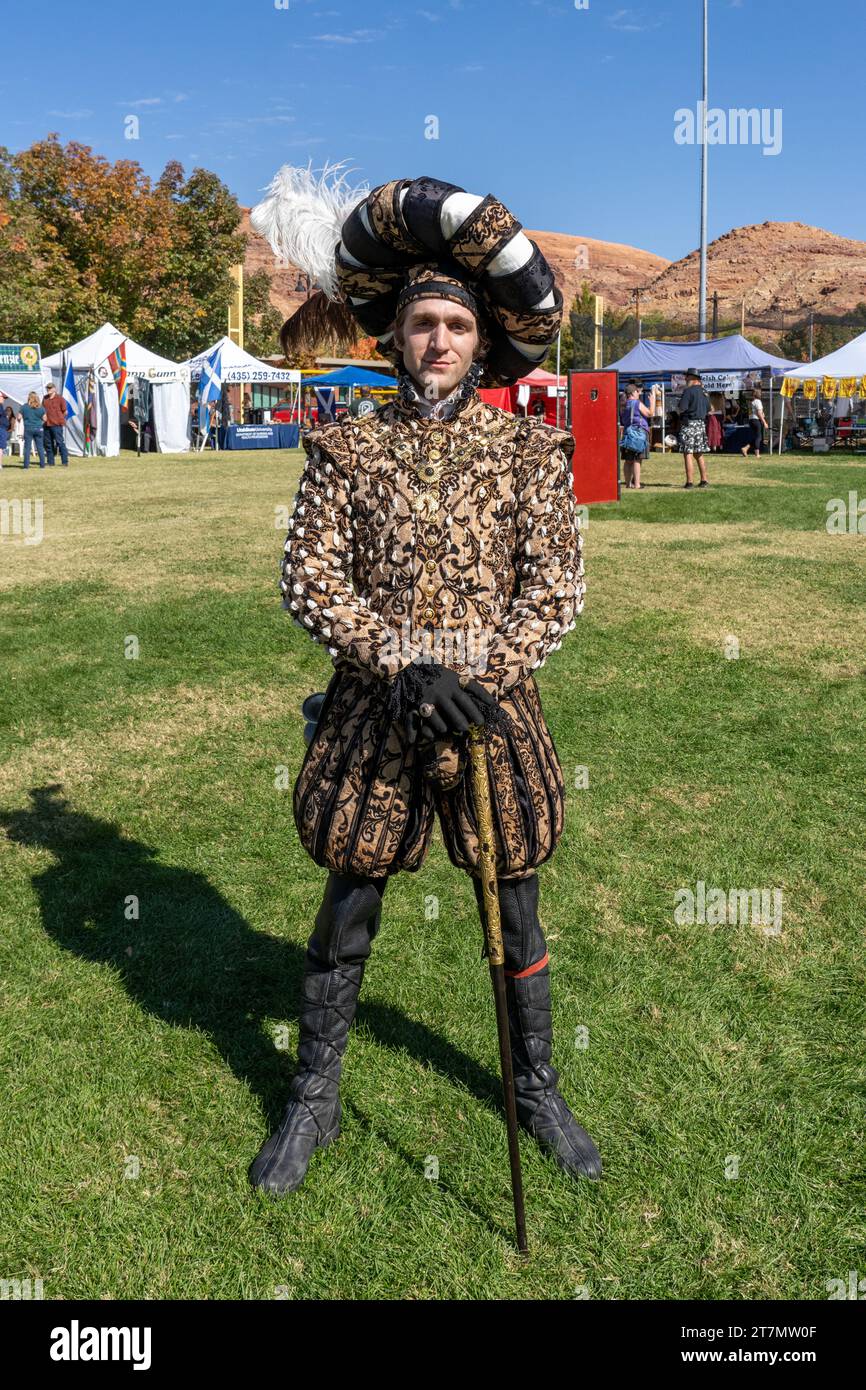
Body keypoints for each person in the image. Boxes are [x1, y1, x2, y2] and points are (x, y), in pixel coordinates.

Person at [247, 166, 601, 1197]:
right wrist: (401, 663)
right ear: (395, 339)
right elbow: (306, 576)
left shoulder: (533, 452)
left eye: (454, 321)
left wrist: (479, 675)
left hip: (492, 707)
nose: (438, 339)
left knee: (517, 895)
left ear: (481, 340)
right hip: (375, 701)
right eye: (421, 323)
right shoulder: (344, 447)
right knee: (350, 891)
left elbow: (555, 586)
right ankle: (314, 1095)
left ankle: (531, 1083)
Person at [677, 368, 710, 487]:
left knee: (688, 453)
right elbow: (709, 409)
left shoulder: (688, 391)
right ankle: (704, 480)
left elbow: (682, 407)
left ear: (693, 378)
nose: (685, 379)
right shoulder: (704, 392)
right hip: (701, 424)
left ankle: (689, 482)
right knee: (699, 453)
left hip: (689, 424)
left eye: (687, 377)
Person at [620, 380, 655, 489]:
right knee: (637, 459)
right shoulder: (637, 403)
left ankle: (627, 484)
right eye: (637, 391)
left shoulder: (623, 404)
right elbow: (650, 413)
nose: (638, 393)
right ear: (632, 393)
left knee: (628, 460)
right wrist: (652, 401)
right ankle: (637, 485)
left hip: (627, 434)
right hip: (638, 434)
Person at [42, 380, 69, 467]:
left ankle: (64, 462)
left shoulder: (60, 399)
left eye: (50, 388)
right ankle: (50, 462)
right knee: (48, 444)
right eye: (47, 388)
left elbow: (65, 412)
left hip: (57, 425)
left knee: (60, 442)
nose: (48, 389)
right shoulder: (45, 398)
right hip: (47, 424)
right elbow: (42, 410)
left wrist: (59, 419)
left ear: (54, 389)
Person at [20, 391, 47, 469]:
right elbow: (45, 419)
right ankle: (42, 465)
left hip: (28, 428)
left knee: (27, 448)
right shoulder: (41, 408)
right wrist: (40, 423)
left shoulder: (24, 407)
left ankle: (26, 466)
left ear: (29, 397)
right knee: (40, 447)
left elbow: (19, 417)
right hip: (39, 429)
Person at [741, 388, 768, 457]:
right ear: (758, 394)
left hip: (751, 420)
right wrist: (764, 422)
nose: (761, 394)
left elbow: (756, 412)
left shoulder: (752, 402)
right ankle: (757, 454)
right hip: (756, 420)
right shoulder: (758, 401)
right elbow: (759, 413)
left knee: (756, 437)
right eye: (760, 393)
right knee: (759, 437)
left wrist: (762, 414)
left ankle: (745, 448)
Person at [0, 390, 7, 469]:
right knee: (0, 447)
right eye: (3, 398)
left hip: (2, 428)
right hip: (1, 428)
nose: (4, 399)